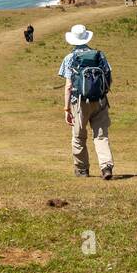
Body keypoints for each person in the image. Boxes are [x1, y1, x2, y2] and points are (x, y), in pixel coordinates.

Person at [58, 24, 114, 179]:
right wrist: (102, 93)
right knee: (101, 136)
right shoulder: (99, 55)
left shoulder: (70, 58)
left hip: (79, 102)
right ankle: (106, 167)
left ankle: (82, 170)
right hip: (101, 101)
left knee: (79, 137)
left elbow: (69, 86)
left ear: (72, 40)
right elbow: (109, 77)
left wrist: (66, 109)